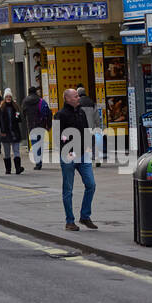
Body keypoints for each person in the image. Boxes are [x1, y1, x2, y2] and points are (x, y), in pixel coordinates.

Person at [57, 88, 96, 228]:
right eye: (75, 96)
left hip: (83, 154)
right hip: (69, 155)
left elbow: (86, 130)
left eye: (78, 96)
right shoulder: (60, 115)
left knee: (91, 184)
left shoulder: (81, 112)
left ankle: (85, 216)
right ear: (67, 99)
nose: (78, 98)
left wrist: (87, 148)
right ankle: (70, 221)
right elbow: (58, 137)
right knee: (68, 189)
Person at [22, 86, 49, 170]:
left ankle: (37, 162)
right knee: (40, 143)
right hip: (41, 124)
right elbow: (47, 112)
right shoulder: (41, 100)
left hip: (31, 125)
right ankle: (40, 160)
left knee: (34, 144)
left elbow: (23, 113)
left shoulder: (25, 101)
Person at [0, 89, 24, 174]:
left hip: (14, 132)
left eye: (10, 96)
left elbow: (19, 119)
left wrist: (17, 115)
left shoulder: (15, 106)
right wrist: (1, 131)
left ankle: (18, 169)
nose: (8, 98)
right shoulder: (1, 107)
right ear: (4, 97)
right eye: (7, 96)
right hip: (5, 132)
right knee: (7, 152)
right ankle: (8, 169)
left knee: (16, 151)